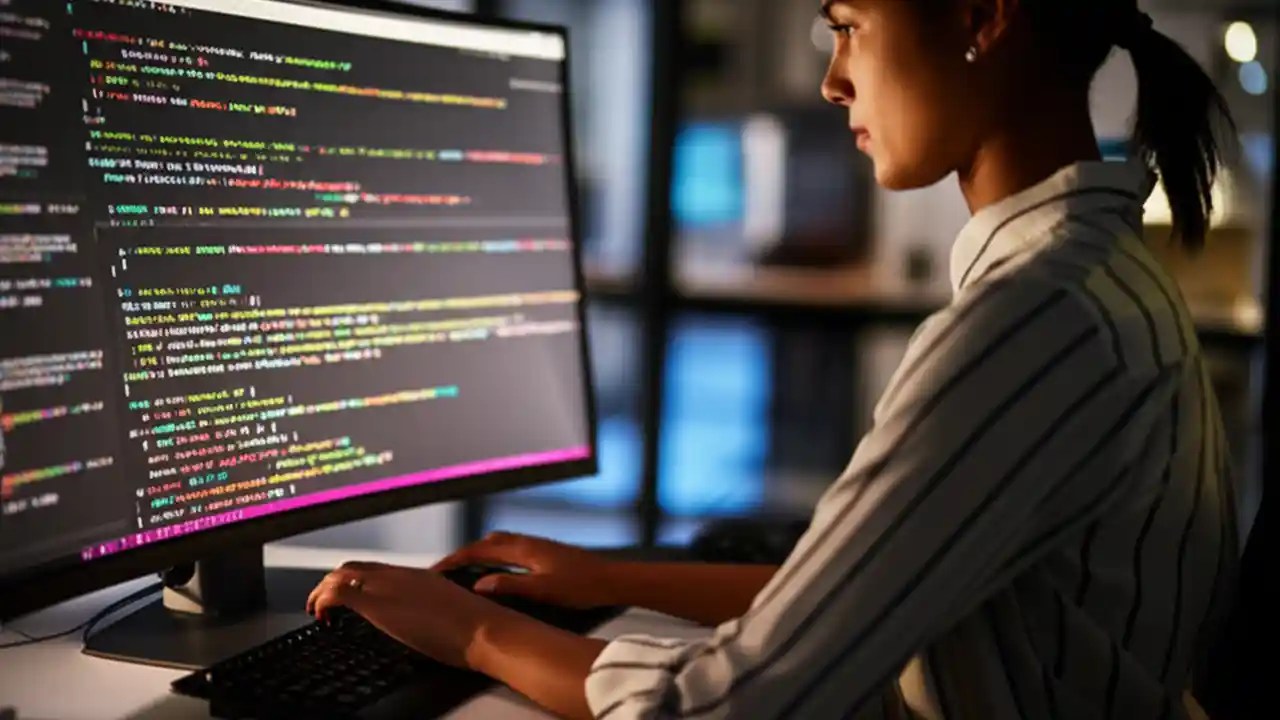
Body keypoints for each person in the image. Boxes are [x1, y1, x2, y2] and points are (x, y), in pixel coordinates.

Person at [307, 0, 1240, 717]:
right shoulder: (1100, 272)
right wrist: (610, 578)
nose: (835, 80)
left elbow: (733, 705)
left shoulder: (1030, 321)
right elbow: (884, 586)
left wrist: (473, 632)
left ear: (982, 18)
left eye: (849, 25)